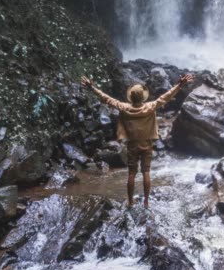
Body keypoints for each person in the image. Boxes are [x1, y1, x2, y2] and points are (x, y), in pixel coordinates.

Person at [81, 73, 195, 208]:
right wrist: (180, 84)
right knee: (146, 172)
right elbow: (167, 97)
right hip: (147, 145)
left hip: (132, 145)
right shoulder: (151, 106)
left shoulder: (124, 107)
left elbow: (106, 99)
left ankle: (130, 201)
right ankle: (146, 202)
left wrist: (92, 87)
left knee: (131, 174)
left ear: (131, 98)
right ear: (143, 97)